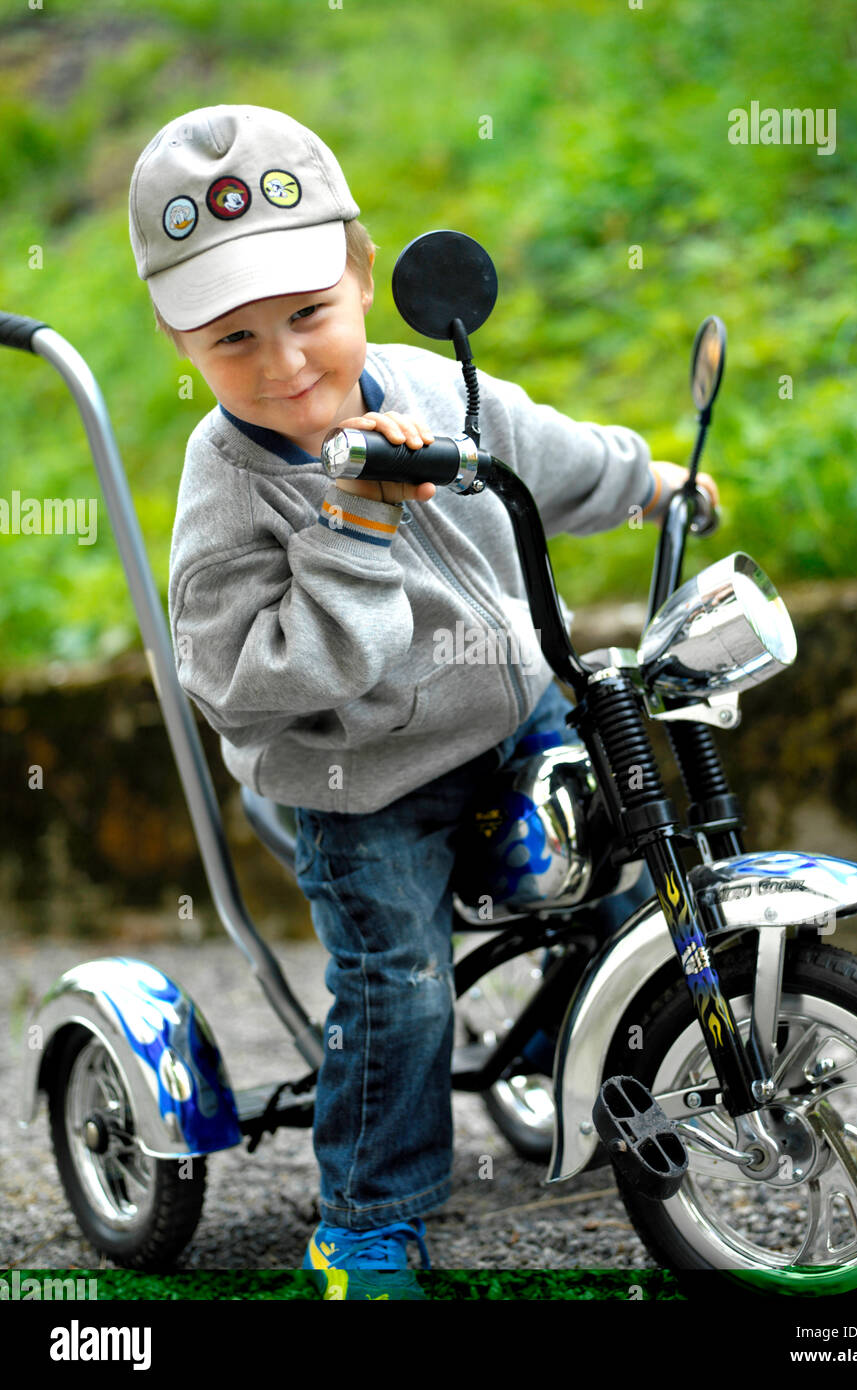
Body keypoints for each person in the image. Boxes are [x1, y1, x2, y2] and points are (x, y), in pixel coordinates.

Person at [129, 104, 717, 1298]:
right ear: (177, 341)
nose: (286, 364)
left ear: (360, 270)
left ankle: (577, 1057)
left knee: (617, 858)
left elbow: (536, 453)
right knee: (400, 982)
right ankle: (368, 1216)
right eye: (233, 340)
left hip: (508, 719)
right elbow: (251, 687)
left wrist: (648, 478)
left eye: (308, 313)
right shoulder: (228, 494)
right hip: (358, 782)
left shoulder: (427, 384)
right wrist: (351, 534)